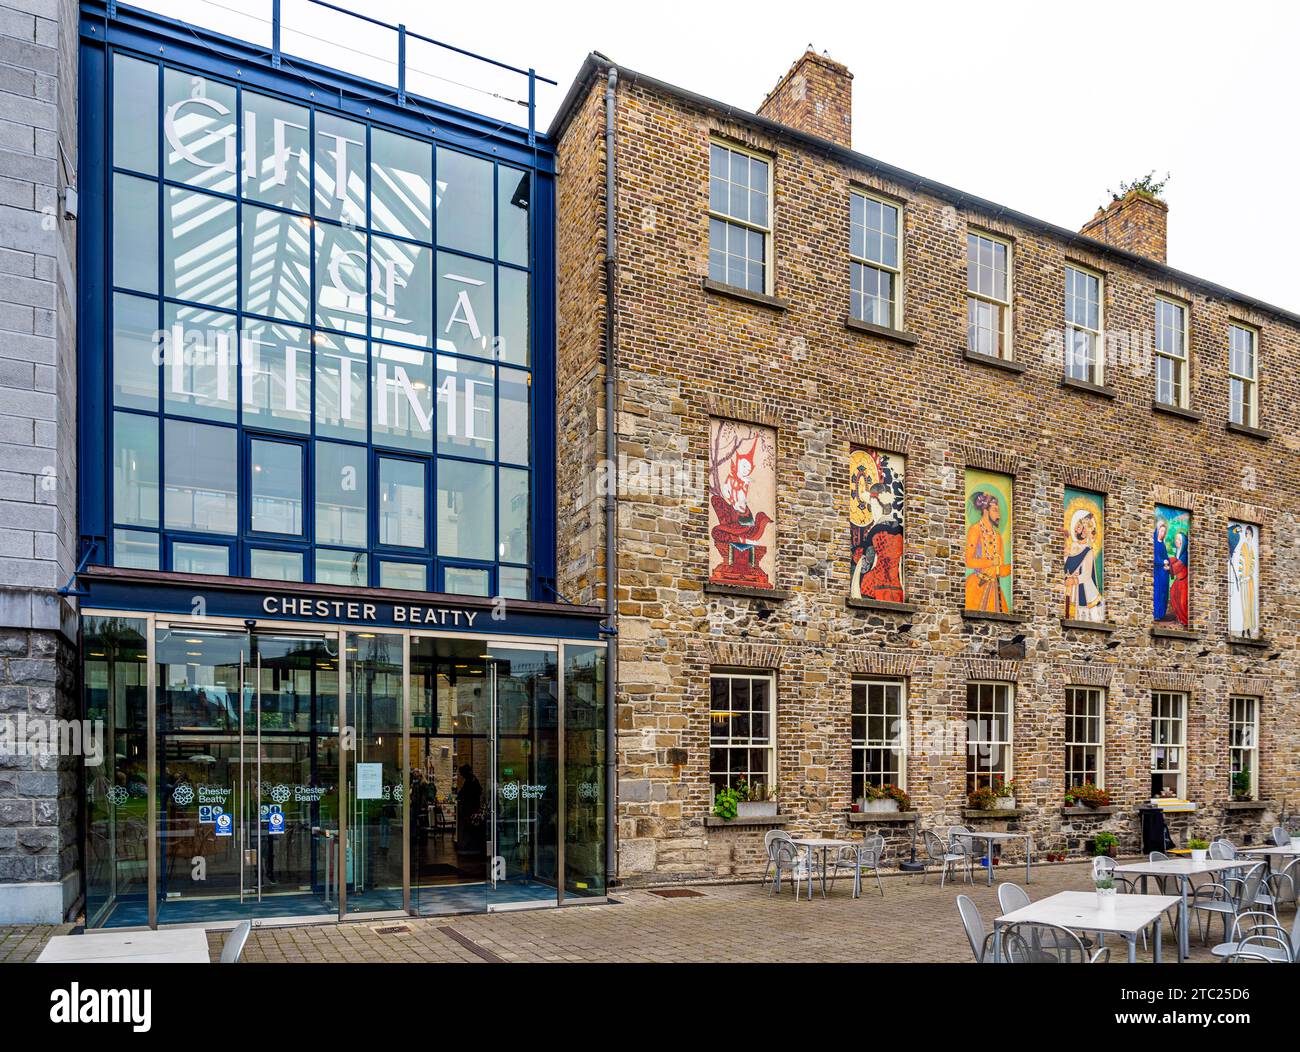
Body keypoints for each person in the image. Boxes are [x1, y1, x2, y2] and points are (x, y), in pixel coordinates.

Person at [965, 491, 1011, 612]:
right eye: (995, 510)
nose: (999, 515)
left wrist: (1014, 567)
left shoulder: (998, 536)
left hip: (994, 588)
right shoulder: (975, 530)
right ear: (986, 511)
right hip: (976, 585)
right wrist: (991, 561)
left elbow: (999, 569)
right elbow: (968, 561)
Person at [1063, 509, 1104, 621]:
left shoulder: (1088, 551)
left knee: (1087, 616)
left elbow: (1086, 574)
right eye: (1076, 527)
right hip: (1070, 589)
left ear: (1085, 532)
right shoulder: (1072, 546)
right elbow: (1066, 565)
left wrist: (1074, 580)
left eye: (1079, 527)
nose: (1076, 529)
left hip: (1084, 589)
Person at [454, 764, 483, 855]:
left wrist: (461, 797)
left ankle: (469, 845)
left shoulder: (470, 780)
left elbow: (464, 793)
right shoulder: (472, 779)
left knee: (469, 826)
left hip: (470, 807)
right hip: (471, 806)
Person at [1166, 531, 1189, 626]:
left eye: (1179, 539)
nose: (1176, 541)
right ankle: (1179, 617)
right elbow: (1174, 560)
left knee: (1182, 602)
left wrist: (1169, 568)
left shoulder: (1185, 555)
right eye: (1176, 539)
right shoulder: (1178, 552)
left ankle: (1185, 620)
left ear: (1183, 542)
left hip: (1184, 581)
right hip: (1178, 580)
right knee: (1172, 593)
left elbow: (1178, 566)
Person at [1152, 519, 1170, 621]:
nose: (1162, 533)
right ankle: (1157, 613)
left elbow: (1166, 557)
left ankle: (1162, 613)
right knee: (1157, 592)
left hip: (1163, 573)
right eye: (1161, 531)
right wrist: (1163, 562)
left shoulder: (1162, 544)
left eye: (1164, 532)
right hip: (1157, 573)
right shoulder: (1155, 543)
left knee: (1163, 593)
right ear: (1158, 531)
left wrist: (1168, 566)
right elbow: (1154, 558)